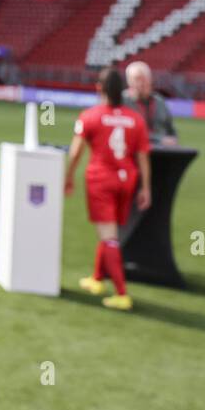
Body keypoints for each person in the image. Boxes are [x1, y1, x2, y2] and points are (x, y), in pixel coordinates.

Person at [64, 67, 152, 311]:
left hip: (102, 180)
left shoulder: (90, 116)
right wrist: (146, 187)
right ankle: (96, 279)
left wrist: (68, 177)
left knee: (109, 236)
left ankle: (121, 294)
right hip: (128, 181)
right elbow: (143, 156)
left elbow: (75, 152)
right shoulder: (135, 119)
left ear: (99, 88)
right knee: (109, 232)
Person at [125, 60, 178, 145]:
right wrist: (159, 140)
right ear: (129, 82)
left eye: (145, 78)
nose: (141, 83)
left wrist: (174, 141)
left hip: (161, 152)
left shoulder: (159, 101)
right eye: (137, 79)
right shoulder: (122, 101)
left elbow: (171, 130)